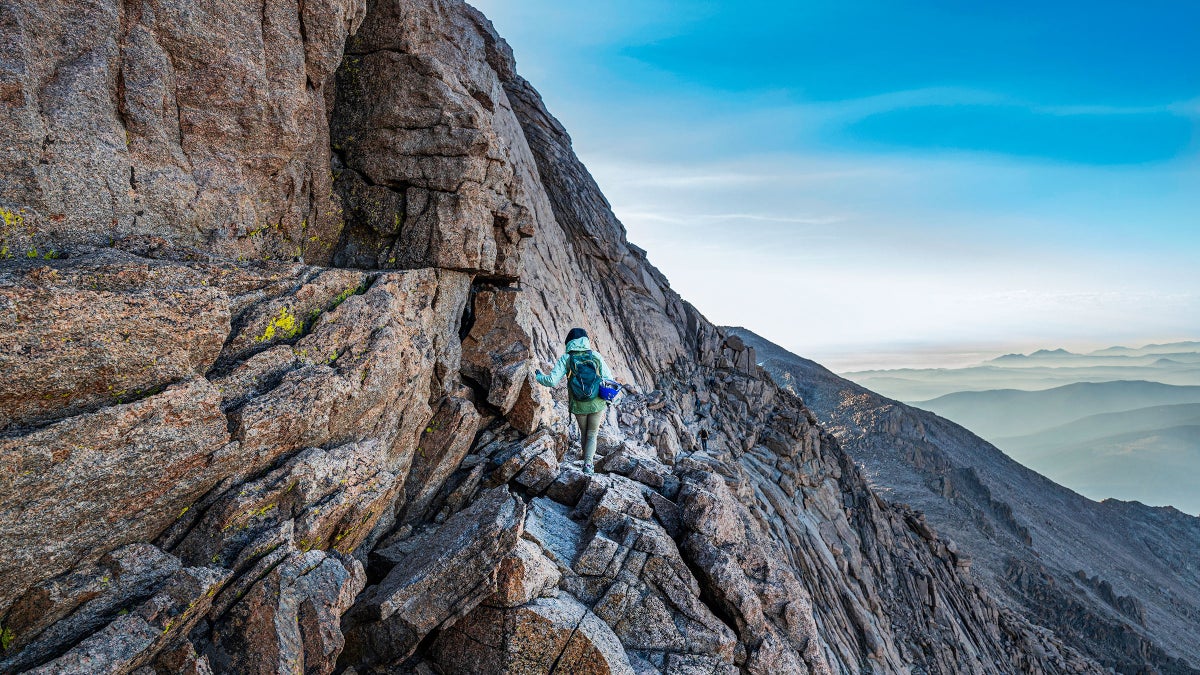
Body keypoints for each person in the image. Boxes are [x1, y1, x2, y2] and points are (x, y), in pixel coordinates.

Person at [534, 327, 614, 474]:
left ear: (569, 342)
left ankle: (585, 458)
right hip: (597, 402)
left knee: (584, 433)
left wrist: (538, 376)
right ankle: (588, 464)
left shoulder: (567, 358)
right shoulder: (595, 356)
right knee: (592, 434)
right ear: (586, 341)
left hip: (579, 403)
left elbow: (551, 381)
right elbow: (609, 379)